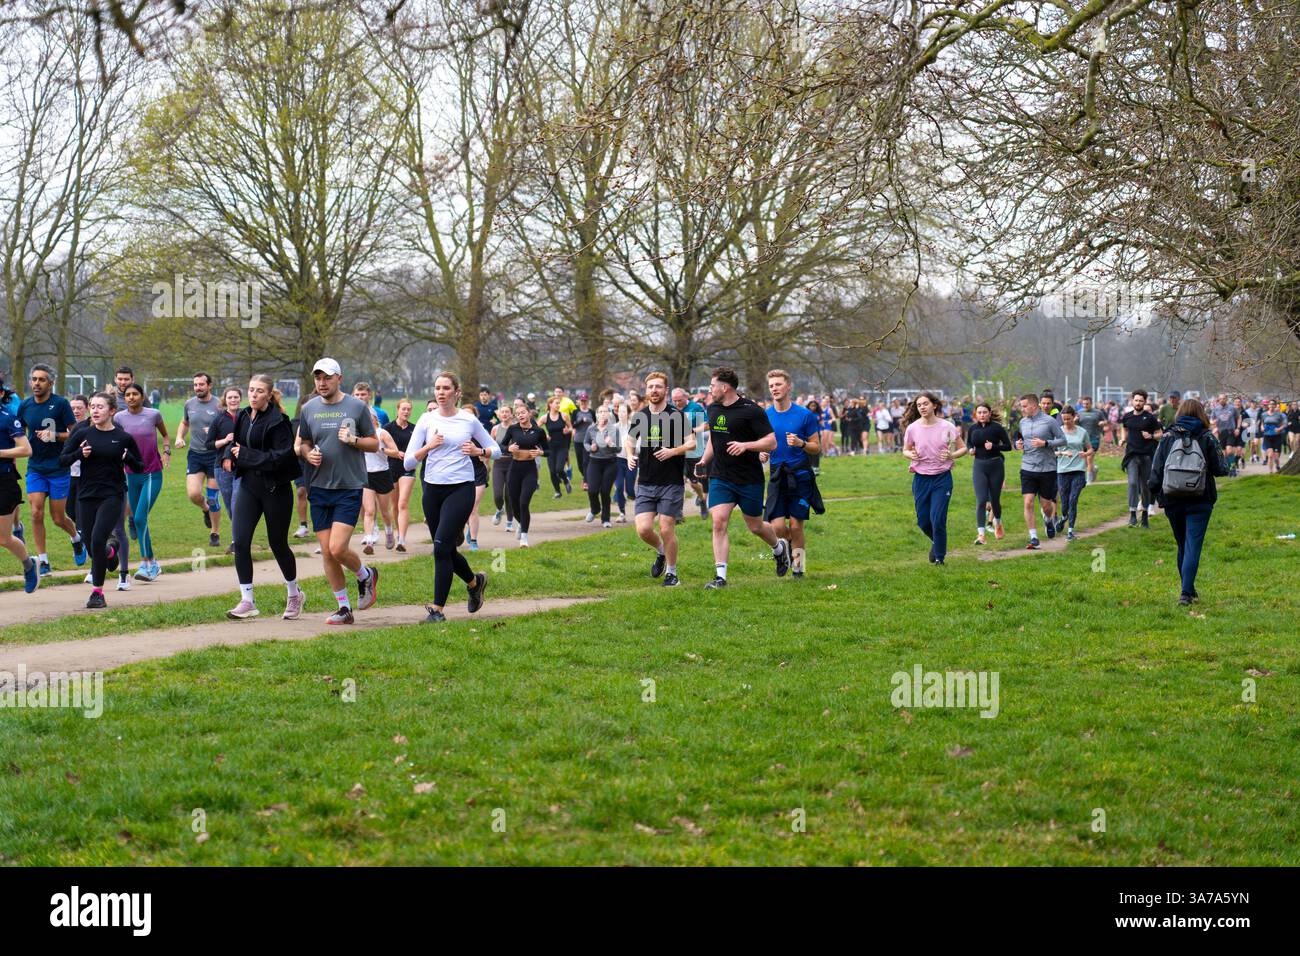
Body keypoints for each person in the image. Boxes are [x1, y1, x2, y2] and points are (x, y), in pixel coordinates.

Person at [404, 373, 499, 622]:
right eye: (437, 388)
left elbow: (496, 450)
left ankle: (437, 610)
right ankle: (474, 583)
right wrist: (429, 446)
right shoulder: (426, 420)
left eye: (446, 388)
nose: (441, 392)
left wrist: (479, 451)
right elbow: (407, 460)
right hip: (432, 490)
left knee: (440, 549)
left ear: (457, 392)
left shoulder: (468, 420)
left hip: (461, 488)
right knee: (444, 548)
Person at [296, 358, 381, 625]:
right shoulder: (309, 408)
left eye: (327, 378)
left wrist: (353, 440)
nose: (322, 383)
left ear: (339, 379)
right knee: (326, 550)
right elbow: (305, 443)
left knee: (337, 547)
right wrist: (309, 455)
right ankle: (344, 608)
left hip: (349, 485)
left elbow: (374, 443)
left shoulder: (356, 406)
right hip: (319, 487)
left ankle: (365, 575)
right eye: (318, 378)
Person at [695, 366, 791, 588]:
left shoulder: (751, 410)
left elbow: (771, 442)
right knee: (718, 522)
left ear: (725, 387)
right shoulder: (712, 409)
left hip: (749, 478)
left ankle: (779, 547)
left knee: (756, 526)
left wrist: (746, 446)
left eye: (712, 386)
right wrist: (704, 459)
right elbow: (714, 438)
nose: (710, 391)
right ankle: (721, 577)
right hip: (720, 476)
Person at [222, 375, 305, 620]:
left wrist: (245, 455)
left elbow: (281, 458)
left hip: (275, 488)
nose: (254, 395)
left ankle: (294, 593)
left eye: (259, 391)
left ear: (269, 395)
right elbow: (235, 441)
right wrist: (229, 454)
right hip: (249, 486)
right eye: (251, 390)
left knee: (277, 543)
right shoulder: (245, 415)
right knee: (241, 541)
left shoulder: (279, 422)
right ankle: (247, 600)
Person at [60, 392, 144, 608]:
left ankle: (97, 593)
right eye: (93, 406)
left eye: (100, 407)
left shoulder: (123, 437)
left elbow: (139, 467)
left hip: (112, 494)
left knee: (97, 538)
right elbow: (63, 460)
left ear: (112, 411)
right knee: (91, 544)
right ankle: (110, 551)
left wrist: (128, 458)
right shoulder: (82, 434)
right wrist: (80, 454)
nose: (95, 410)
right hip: (86, 494)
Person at [1147, 398, 1228, 605]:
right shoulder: (1207, 437)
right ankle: (1186, 592)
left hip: (1172, 499)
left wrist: (1157, 495)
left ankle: (1188, 590)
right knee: (1192, 545)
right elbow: (1221, 469)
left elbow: (1156, 471)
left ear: (1179, 413)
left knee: (1182, 545)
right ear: (1201, 414)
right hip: (1200, 499)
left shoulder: (1167, 436)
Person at [16, 363, 86, 574]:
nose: (37, 383)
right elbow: (18, 435)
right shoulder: (25, 406)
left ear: (51, 383)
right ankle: (43, 561)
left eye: (41, 380)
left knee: (58, 518)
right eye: (34, 379)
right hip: (36, 467)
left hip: (58, 467)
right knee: (36, 513)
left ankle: (76, 538)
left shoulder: (61, 404)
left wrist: (54, 435)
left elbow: (75, 434)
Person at [627, 372, 694, 587]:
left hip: (671, 482)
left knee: (666, 529)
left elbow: (691, 443)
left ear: (666, 390)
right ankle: (661, 551)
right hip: (646, 481)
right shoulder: (640, 416)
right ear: (646, 391)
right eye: (650, 387)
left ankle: (672, 574)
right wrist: (629, 455)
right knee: (643, 529)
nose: (654, 390)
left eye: (658, 387)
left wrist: (673, 451)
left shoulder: (676, 415)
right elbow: (629, 440)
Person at [761, 370, 822, 577]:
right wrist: (762, 453)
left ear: (788, 387)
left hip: (800, 475)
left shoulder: (805, 415)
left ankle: (798, 569)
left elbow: (816, 447)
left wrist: (801, 443)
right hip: (777, 475)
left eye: (778, 384)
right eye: (771, 386)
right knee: (777, 527)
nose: (774, 388)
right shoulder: (765, 416)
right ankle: (786, 546)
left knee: (796, 526)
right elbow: (763, 444)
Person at [902, 392, 966, 564]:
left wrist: (951, 455)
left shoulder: (947, 426)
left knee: (937, 519)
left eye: (925, 404)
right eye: (919, 405)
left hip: (942, 478)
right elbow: (905, 449)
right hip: (921, 478)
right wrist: (911, 454)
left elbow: (963, 448)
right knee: (923, 521)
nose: (922, 407)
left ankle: (939, 557)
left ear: (934, 405)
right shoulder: (913, 428)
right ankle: (937, 543)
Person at [117, 383, 169, 582]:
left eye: (135, 394)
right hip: (131, 474)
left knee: (139, 518)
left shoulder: (153, 414)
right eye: (127, 394)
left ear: (142, 396)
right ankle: (152, 563)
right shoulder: (119, 418)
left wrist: (166, 452)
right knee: (139, 519)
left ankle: (147, 563)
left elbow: (165, 435)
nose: (131, 397)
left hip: (151, 474)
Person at [175, 372, 224, 549]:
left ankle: (215, 533)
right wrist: (180, 437)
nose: (198, 388)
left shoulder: (219, 405)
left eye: (201, 385)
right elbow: (185, 422)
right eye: (195, 385)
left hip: (214, 455)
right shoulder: (189, 404)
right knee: (194, 494)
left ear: (209, 386)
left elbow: (226, 428)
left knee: (213, 498)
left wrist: (212, 431)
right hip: (195, 454)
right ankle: (205, 510)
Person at [1014, 393, 1066, 550]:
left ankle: (1048, 519)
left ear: (1033, 406)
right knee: (1028, 502)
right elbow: (1019, 440)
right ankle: (1034, 537)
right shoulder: (1022, 422)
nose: (1022, 409)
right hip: (1027, 467)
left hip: (1047, 469)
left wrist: (1045, 443)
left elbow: (1063, 440)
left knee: (1046, 506)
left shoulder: (1049, 421)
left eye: (1024, 406)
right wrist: (1018, 445)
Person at [0, 401, 39, 592]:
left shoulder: (7, 418)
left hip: (4, 482)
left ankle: (29, 564)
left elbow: (26, 449)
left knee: (4, 539)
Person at [503, 398, 547, 547]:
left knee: (523, 503)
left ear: (529, 413)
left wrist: (541, 452)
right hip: (514, 469)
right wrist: (508, 449)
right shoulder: (512, 429)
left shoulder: (539, 431)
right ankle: (522, 523)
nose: (520, 415)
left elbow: (548, 450)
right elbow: (501, 445)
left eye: (523, 412)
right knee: (514, 505)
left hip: (530, 470)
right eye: (517, 414)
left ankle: (524, 537)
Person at [967, 401, 1011, 545]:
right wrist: (970, 449)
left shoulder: (997, 428)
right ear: (976, 414)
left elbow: (1008, 446)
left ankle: (997, 523)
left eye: (984, 412)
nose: (982, 415)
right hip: (979, 465)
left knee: (994, 500)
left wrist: (994, 446)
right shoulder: (972, 429)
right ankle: (981, 535)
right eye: (979, 413)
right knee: (981, 500)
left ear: (989, 413)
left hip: (995, 465)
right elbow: (969, 443)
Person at [1120, 389, 1162, 528]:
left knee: (1145, 487)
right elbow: (1124, 428)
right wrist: (1122, 439)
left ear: (1145, 402)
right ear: (1132, 401)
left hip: (1146, 456)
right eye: (1136, 400)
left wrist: (1151, 436)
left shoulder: (1150, 418)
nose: (1138, 403)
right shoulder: (1127, 416)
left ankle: (1144, 516)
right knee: (1132, 483)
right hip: (1131, 455)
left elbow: (1160, 433)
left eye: (1141, 401)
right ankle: (1132, 515)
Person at [360, 409, 399, 555]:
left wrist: (382, 450)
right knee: (369, 511)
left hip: (382, 474)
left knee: (384, 512)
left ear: (376, 419)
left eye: (370, 418)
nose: (368, 421)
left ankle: (389, 531)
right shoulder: (360, 435)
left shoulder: (382, 433)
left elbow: (395, 451)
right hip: (366, 475)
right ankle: (369, 541)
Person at [210, 385, 243, 554]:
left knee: (237, 503)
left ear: (240, 398)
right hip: (222, 468)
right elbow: (209, 444)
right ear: (225, 400)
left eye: (236, 397)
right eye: (230, 397)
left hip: (243, 466)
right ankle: (237, 539)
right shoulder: (219, 419)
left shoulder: (247, 416)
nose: (233, 400)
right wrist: (225, 440)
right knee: (230, 506)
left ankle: (237, 542)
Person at [1056, 405, 1092, 541]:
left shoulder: (1082, 432)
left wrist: (1085, 453)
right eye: (1064, 419)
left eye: (1069, 419)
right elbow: (1050, 452)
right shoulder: (1058, 432)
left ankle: (1070, 531)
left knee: (1073, 500)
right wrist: (1062, 452)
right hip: (1063, 470)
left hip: (1078, 470)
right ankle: (1064, 517)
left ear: (1074, 417)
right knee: (1064, 502)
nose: (1066, 422)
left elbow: (1090, 449)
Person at [385, 398, 417, 552]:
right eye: (403, 409)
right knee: (395, 505)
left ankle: (402, 540)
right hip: (391, 468)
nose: (406, 412)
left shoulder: (414, 429)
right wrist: (395, 453)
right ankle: (398, 534)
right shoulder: (388, 428)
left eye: (408, 409)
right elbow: (380, 449)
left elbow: (420, 448)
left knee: (403, 503)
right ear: (397, 410)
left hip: (407, 468)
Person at [584, 403, 620, 527]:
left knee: (605, 491)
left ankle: (606, 519)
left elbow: (619, 449)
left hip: (610, 463)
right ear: (597, 414)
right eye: (600, 412)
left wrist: (612, 445)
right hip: (594, 462)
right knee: (592, 490)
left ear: (609, 414)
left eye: (605, 411)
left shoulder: (614, 430)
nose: (603, 414)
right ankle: (595, 509)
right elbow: (585, 443)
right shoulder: (591, 429)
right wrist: (590, 448)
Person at [460, 402, 490, 550]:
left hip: (478, 473)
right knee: (463, 508)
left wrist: (481, 453)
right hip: (460, 473)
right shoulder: (456, 432)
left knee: (473, 507)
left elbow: (490, 450)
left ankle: (473, 540)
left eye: (470, 415)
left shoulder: (480, 433)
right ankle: (467, 526)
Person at [490, 404, 516, 532]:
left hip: (513, 463)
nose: (504, 414)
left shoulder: (516, 429)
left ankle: (510, 522)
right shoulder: (495, 429)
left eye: (507, 412)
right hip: (498, 464)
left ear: (511, 414)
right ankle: (500, 509)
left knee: (509, 495)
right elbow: (491, 446)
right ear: (499, 415)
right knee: (498, 495)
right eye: (502, 412)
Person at [543, 395, 573, 497]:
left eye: (559, 403)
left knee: (559, 469)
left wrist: (567, 430)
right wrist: (544, 435)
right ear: (550, 404)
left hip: (562, 446)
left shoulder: (564, 415)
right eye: (556, 403)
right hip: (550, 448)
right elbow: (535, 428)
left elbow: (571, 428)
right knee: (552, 471)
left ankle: (566, 480)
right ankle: (558, 492)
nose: (558, 405)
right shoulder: (545, 417)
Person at [1075, 395, 1105, 483]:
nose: (1085, 405)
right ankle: (1094, 469)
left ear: (1091, 404)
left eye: (1087, 404)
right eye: (1084, 404)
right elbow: (1074, 424)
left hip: (1094, 437)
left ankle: (1088, 481)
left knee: (1089, 458)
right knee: (1084, 460)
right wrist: (1075, 420)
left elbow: (1105, 421)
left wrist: (1102, 422)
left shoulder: (1098, 412)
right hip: (1082, 439)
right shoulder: (1079, 412)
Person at [571, 391, 595, 493]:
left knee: (586, 461)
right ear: (579, 401)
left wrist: (590, 422)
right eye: (582, 401)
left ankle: (586, 481)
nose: (583, 403)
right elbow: (573, 425)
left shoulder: (591, 412)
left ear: (588, 401)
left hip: (588, 440)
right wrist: (581, 420)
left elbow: (595, 424)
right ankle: (585, 476)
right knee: (580, 463)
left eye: (585, 401)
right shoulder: (576, 412)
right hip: (578, 440)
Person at [1259, 398, 1287, 473]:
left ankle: (1277, 466)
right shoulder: (1263, 414)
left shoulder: (1279, 415)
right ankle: (1271, 472)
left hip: (1277, 437)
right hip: (1267, 436)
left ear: (1275, 406)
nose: (1271, 405)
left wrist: (1279, 429)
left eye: (1273, 404)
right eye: (1270, 404)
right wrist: (1262, 428)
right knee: (1270, 455)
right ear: (1268, 405)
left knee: (1276, 458)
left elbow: (1284, 424)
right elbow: (1262, 423)